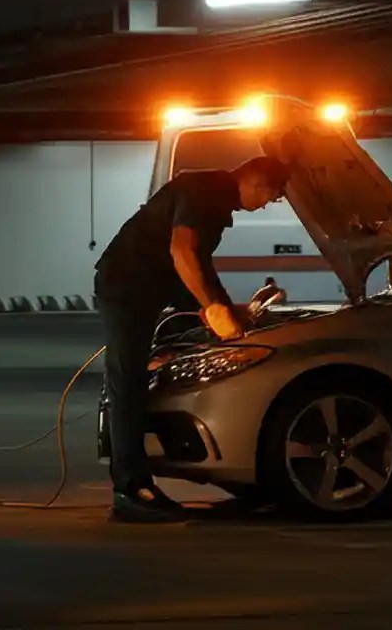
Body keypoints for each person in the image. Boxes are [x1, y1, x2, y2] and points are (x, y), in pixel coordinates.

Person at [93, 155, 292, 522]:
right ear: (256, 182)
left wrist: (225, 307)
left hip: (157, 284)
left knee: (170, 362)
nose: (266, 204)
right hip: (126, 286)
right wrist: (213, 308)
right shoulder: (207, 190)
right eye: (272, 196)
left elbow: (199, 263)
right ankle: (131, 489)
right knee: (129, 381)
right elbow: (182, 251)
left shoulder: (213, 194)